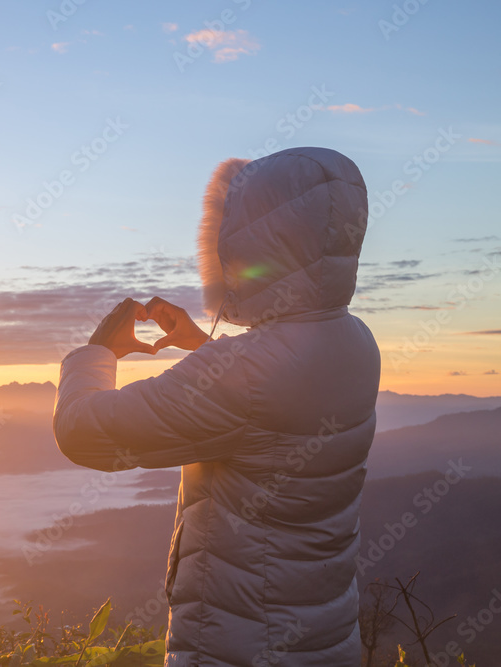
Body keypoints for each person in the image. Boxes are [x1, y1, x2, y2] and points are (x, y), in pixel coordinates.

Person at [53, 147, 380, 666]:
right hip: (322, 640)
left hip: (240, 645)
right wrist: (201, 347)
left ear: (245, 241)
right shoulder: (354, 341)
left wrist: (97, 353)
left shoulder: (244, 373)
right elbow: (271, 406)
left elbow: (83, 432)